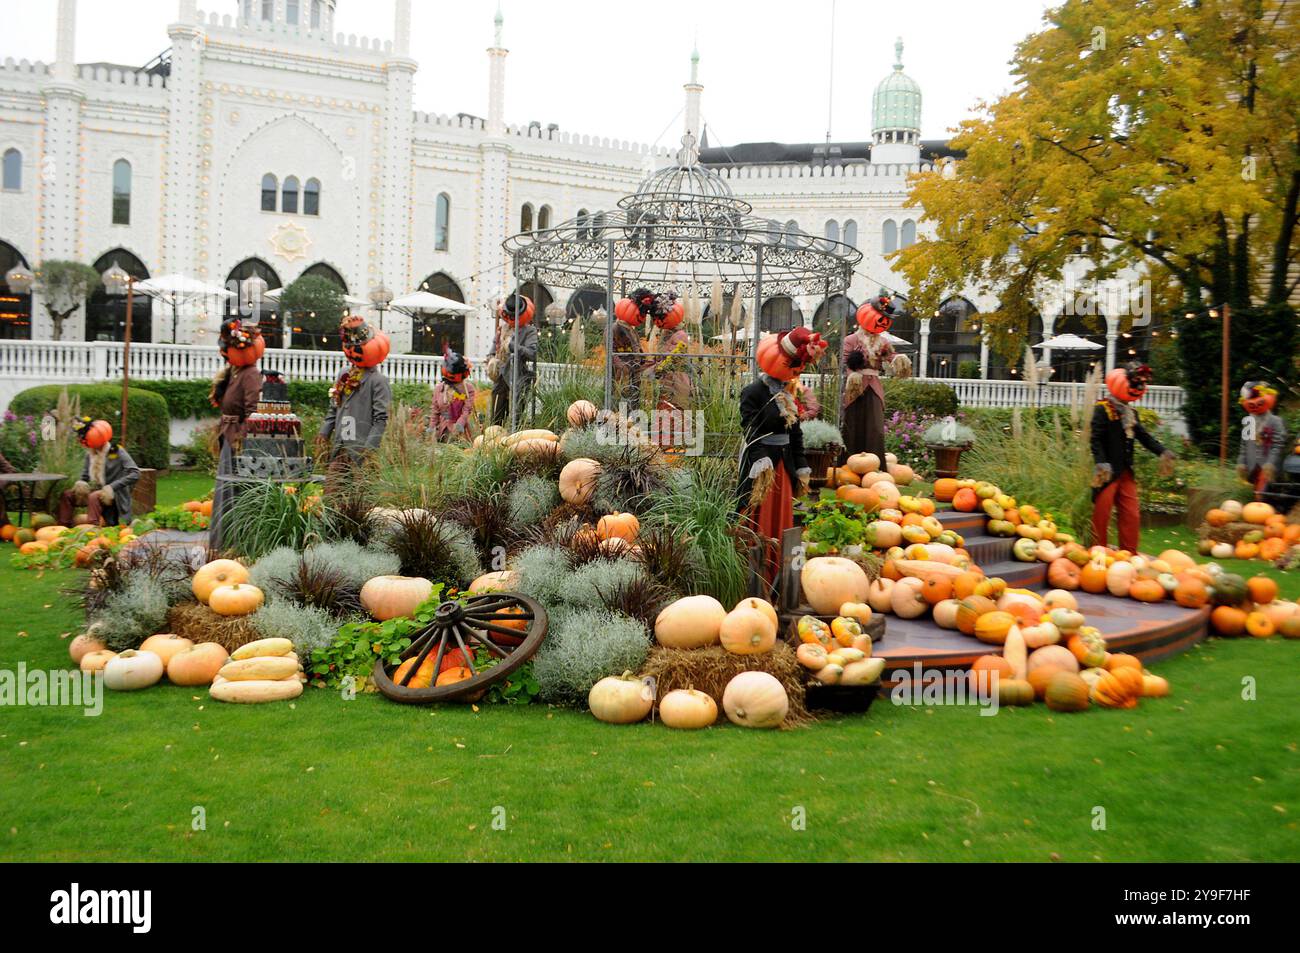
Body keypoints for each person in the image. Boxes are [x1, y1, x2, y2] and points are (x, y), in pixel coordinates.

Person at [737, 326, 827, 588]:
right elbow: (750, 427)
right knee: (758, 518)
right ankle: (755, 579)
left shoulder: (789, 394)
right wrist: (760, 457)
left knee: (782, 522)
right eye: (794, 364)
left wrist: (800, 465)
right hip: (761, 468)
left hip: (783, 468)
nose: (797, 371)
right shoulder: (753, 391)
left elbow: (795, 433)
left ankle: (779, 581)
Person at [1090, 362, 1175, 551]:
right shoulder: (1103, 409)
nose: (1139, 388)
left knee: (1131, 514)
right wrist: (1101, 463)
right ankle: (1097, 553)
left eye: (1142, 384)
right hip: (1107, 472)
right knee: (1102, 514)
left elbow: (1144, 437)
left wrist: (1162, 451)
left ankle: (1128, 555)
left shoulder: (1131, 413)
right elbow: (1095, 439)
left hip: (1126, 471)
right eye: (1136, 382)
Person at [207, 318, 264, 550]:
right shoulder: (235, 371)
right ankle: (222, 541)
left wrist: (241, 436)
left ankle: (234, 542)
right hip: (228, 434)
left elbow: (253, 411)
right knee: (224, 487)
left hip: (237, 439)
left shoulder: (250, 374)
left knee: (234, 490)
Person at [319, 315, 392, 489]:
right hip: (340, 445)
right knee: (332, 492)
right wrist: (324, 433)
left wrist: (369, 450)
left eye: (358, 348)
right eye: (351, 347)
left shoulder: (378, 381)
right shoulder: (344, 373)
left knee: (360, 498)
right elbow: (334, 406)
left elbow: (381, 419)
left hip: (361, 449)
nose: (353, 352)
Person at [842, 295, 911, 462]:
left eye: (886, 320)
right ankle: (849, 463)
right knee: (852, 424)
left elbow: (890, 355)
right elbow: (844, 362)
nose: (882, 322)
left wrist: (897, 359)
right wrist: (853, 376)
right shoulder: (851, 340)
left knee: (876, 427)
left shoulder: (883, 342)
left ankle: (874, 464)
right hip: (855, 387)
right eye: (880, 318)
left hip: (874, 386)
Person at [57, 417, 140, 527]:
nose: (82, 441)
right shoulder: (90, 453)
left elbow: (135, 473)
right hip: (97, 490)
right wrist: (81, 483)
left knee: (94, 496)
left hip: (114, 494)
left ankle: (92, 529)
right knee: (67, 495)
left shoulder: (115, 451)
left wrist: (112, 487)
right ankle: (63, 528)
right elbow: (85, 475)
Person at [488, 293, 538, 427]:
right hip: (500, 377)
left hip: (518, 376)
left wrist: (513, 346)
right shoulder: (502, 329)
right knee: (496, 417)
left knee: (516, 418)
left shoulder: (529, 331)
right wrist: (491, 360)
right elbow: (494, 350)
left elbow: (532, 353)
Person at [1237, 381, 1286, 499]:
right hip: (1253, 467)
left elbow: (1278, 445)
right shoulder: (1249, 422)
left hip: (1270, 467)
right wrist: (1241, 462)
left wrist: (1270, 463)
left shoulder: (1275, 421)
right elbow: (1244, 445)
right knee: (1256, 497)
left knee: (1267, 497)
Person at [430, 345, 476, 441]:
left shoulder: (468, 390)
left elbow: (466, 411)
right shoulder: (439, 389)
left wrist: (459, 425)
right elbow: (435, 411)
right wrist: (432, 429)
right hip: (442, 433)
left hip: (461, 434)